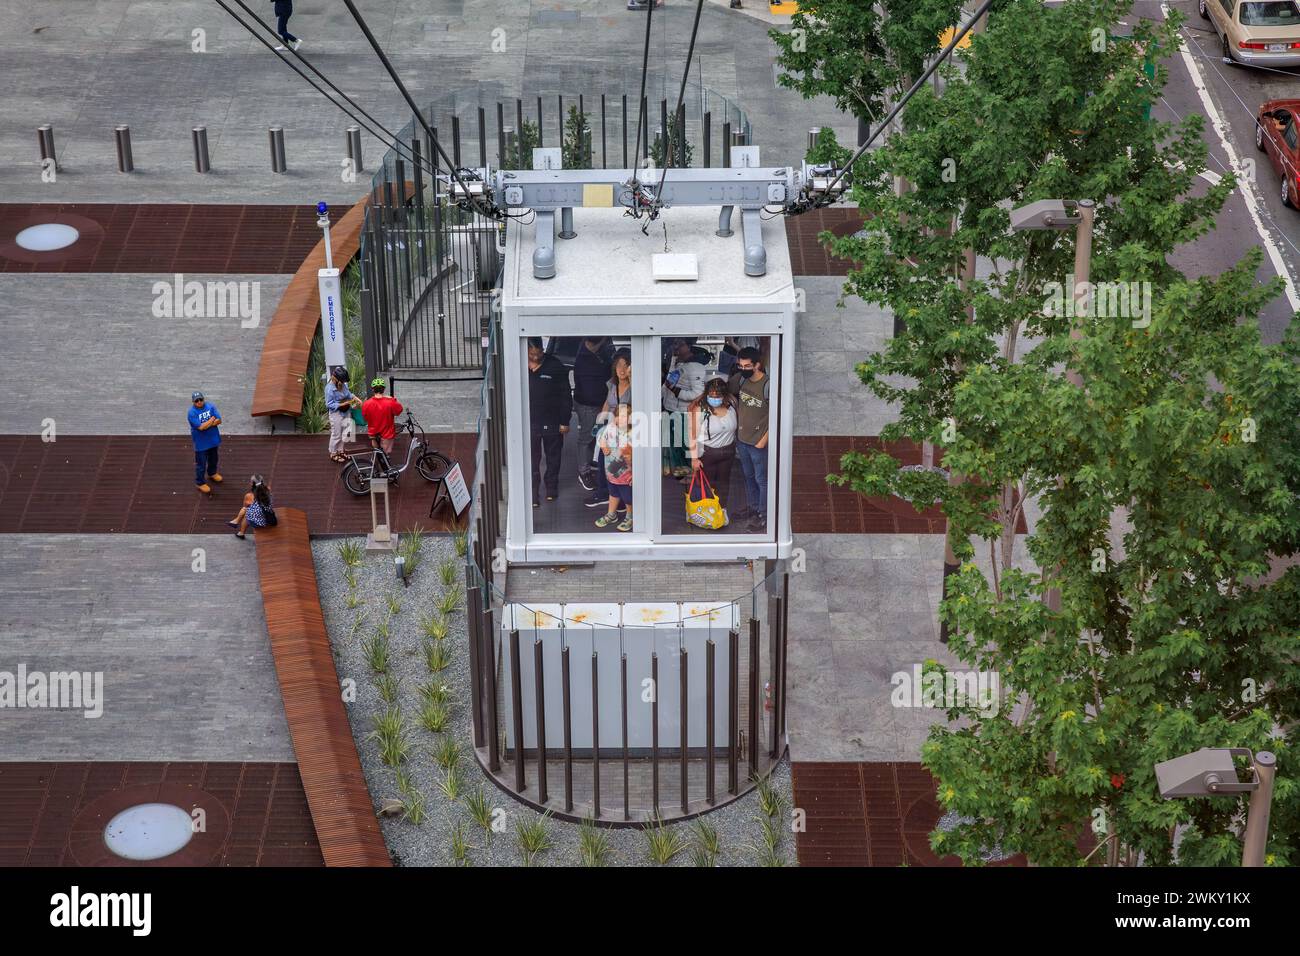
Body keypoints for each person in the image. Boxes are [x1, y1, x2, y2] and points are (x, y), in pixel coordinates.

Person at [727, 347, 770, 532]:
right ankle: (753, 508)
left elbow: (777, 414)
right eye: (740, 365)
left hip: (758, 443)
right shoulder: (742, 379)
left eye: (747, 365)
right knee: (748, 477)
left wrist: (764, 440)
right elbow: (728, 391)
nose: (743, 368)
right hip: (743, 440)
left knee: (762, 480)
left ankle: (764, 515)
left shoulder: (768, 385)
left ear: (757, 365)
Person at [584, 348, 632, 509]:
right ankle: (606, 493)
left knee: (623, 464)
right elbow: (607, 403)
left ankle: (623, 499)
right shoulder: (612, 384)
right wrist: (600, 422)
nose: (622, 369)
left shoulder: (635, 387)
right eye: (619, 365)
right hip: (610, 430)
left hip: (626, 432)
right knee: (605, 461)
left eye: (626, 365)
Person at [527, 338, 571, 506]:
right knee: (532, 458)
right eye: (532, 354)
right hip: (530, 421)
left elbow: (565, 395)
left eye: (538, 353)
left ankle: (551, 488)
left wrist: (564, 420)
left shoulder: (555, 365)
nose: (536, 357)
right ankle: (533, 493)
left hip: (553, 420)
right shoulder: (519, 364)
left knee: (553, 456)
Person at [688, 377, 738, 524]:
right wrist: (694, 458)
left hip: (728, 452)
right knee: (706, 484)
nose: (714, 398)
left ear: (724, 395)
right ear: (706, 394)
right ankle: (703, 512)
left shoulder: (732, 406)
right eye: (711, 395)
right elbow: (692, 435)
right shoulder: (700, 409)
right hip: (707, 453)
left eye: (718, 395)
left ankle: (722, 510)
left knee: (724, 483)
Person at [661, 338, 708, 479]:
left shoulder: (696, 366)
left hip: (683, 412)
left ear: (689, 347)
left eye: (680, 344)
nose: (676, 347)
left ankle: (692, 475)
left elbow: (698, 393)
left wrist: (676, 391)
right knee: (673, 445)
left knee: (686, 445)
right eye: (674, 344)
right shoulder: (676, 362)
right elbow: (667, 385)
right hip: (669, 409)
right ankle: (682, 474)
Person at [573, 337, 613, 491]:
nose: (604, 345)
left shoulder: (594, 355)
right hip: (589, 405)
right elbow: (592, 386)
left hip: (595, 404)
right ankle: (584, 471)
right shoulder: (585, 359)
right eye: (602, 343)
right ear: (591, 343)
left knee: (592, 436)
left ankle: (588, 465)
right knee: (587, 438)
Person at [595, 403, 634, 532]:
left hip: (625, 475)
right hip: (610, 473)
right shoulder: (610, 428)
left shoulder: (631, 434)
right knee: (613, 494)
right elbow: (600, 437)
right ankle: (612, 514)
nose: (620, 419)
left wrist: (629, 457)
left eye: (624, 416)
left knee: (628, 498)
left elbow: (635, 457)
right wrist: (603, 445)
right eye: (618, 415)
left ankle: (630, 516)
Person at [188, 391, 223, 495]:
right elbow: (201, 427)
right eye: (196, 401)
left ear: (203, 399)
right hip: (201, 443)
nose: (199, 402)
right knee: (201, 464)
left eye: (201, 399)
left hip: (212, 440)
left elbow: (219, 420)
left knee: (214, 458)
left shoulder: (210, 406)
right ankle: (200, 482)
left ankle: (212, 473)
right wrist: (212, 419)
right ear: (193, 402)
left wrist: (207, 424)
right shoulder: (192, 413)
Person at [361, 377, 404, 462]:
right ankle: (385, 468)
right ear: (383, 389)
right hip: (387, 434)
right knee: (385, 454)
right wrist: (392, 399)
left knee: (377, 452)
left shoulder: (367, 403)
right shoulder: (390, 402)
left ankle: (377, 467)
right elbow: (399, 411)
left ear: (373, 389)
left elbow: (365, 418)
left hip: (373, 433)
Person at [325, 366, 360, 463]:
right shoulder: (329, 389)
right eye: (342, 381)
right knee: (336, 434)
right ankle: (333, 453)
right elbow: (329, 404)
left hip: (346, 411)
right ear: (335, 379)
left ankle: (340, 451)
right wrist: (342, 404)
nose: (343, 383)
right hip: (336, 413)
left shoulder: (343, 385)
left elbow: (348, 394)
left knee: (344, 433)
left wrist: (356, 399)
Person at [227, 475, 275, 540]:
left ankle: (240, 530)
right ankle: (236, 521)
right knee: (248, 510)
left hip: (262, 522)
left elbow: (245, 505)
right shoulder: (268, 490)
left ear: (252, 484)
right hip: (269, 514)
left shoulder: (249, 496)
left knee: (246, 512)